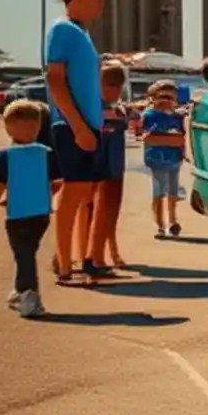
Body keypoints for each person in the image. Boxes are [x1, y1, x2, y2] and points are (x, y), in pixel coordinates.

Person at [44, 0, 108, 282]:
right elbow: (55, 80)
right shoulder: (62, 30)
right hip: (71, 124)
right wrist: (78, 126)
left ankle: (75, 257)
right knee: (75, 190)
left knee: (86, 192)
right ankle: (64, 262)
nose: (102, 3)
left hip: (89, 123)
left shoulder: (81, 33)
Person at [0, 101, 59, 318]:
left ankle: (29, 297)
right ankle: (19, 291)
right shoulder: (47, 153)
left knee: (24, 255)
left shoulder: (6, 156)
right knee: (26, 253)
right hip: (41, 214)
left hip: (19, 216)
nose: (33, 130)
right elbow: (56, 181)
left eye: (34, 127)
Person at [89, 64, 130, 269]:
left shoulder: (119, 108)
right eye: (110, 84)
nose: (115, 89)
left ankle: (111, 249)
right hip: (96, 162)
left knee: (111, 210)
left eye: (118, 85)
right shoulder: (91, 105)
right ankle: (92, 255)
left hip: (114, 165)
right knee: (89, 208)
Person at [142, 80, 186, 237]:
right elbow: (148, 137)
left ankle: (173, 221)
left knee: (173, 192)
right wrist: (172, 139)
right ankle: (160, 224)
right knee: (159, 191)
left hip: (174, 158)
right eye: (162, 97)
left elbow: (183, 137)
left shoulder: (178, 117)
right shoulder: (150, 115)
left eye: (170, 97)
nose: (166, 101)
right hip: (157, 158)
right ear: (153, 98)